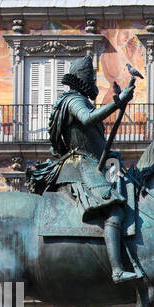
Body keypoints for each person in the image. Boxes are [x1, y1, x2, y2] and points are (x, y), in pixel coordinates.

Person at [26, 55, 141, 283]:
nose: (94, 81)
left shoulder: (79, 100)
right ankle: (117, 269)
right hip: (80, 165)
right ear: (82, 79)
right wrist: (118, 103)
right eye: (92, 77)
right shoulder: (73, 100)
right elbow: (88, 119)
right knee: (114, 210)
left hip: (93, 163)